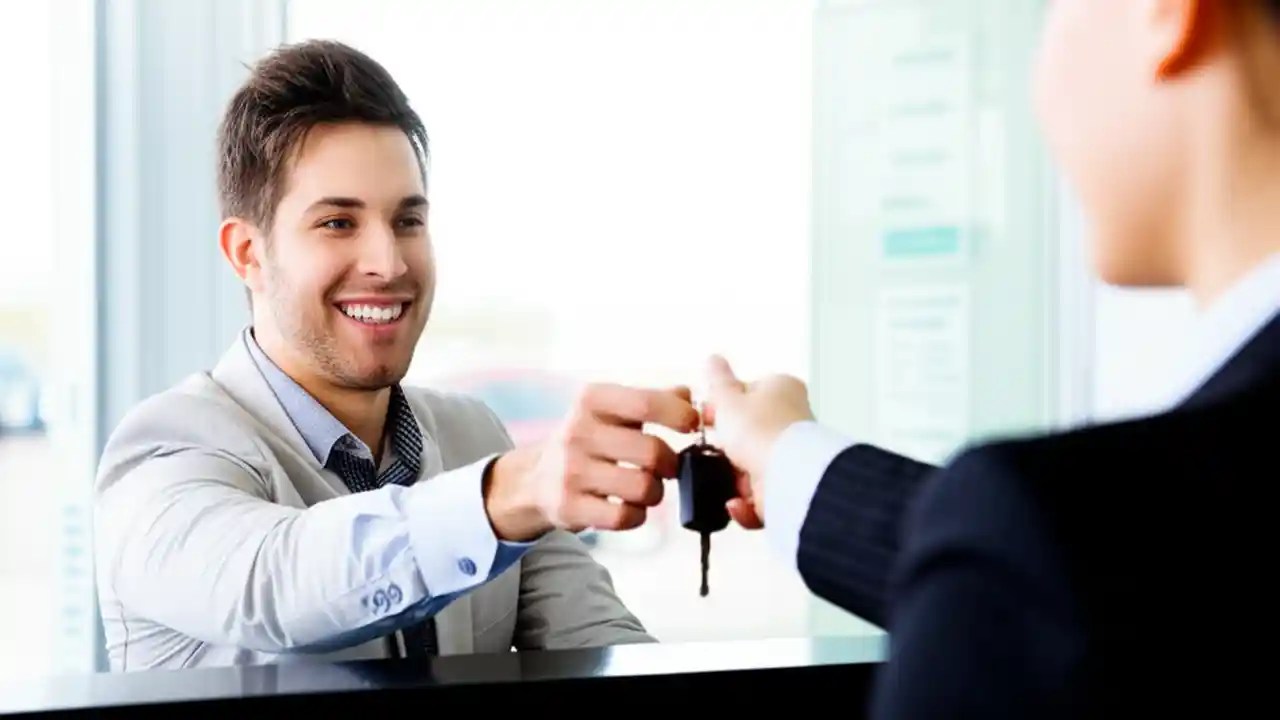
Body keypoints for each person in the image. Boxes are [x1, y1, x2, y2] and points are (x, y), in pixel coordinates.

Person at [704, 0, 1279, 716]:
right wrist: (792, 459)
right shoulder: (1078, 537)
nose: (1040, 84)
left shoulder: (1070, 525)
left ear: (1169, 14)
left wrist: (997, 521)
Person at [93, 39, 699, 671]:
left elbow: (599, 641)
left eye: (407, 221)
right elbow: (274, 584)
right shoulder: (162, 452)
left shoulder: (474, 437)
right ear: (248, 253)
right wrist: (509, 493)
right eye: (337, 223)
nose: (388, 263)